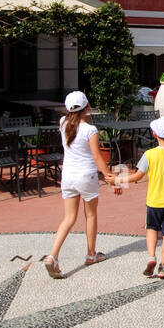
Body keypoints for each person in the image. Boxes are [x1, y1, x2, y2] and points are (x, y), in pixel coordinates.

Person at [45, 92, 114, 279]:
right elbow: (97, 156)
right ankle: (91, 254)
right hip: (86, 176)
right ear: (88, 106)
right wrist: (110, 176)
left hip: (67, 176)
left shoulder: (63, 123)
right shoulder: (90, 130)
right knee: (90, 215)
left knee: (68, 218)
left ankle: (53, 256)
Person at [119, 115, 164, 278]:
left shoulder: (149, 154)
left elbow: (138, 176)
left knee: (151, 229)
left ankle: (151, 257)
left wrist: (119, 179)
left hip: (153, 202)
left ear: (154, 134)